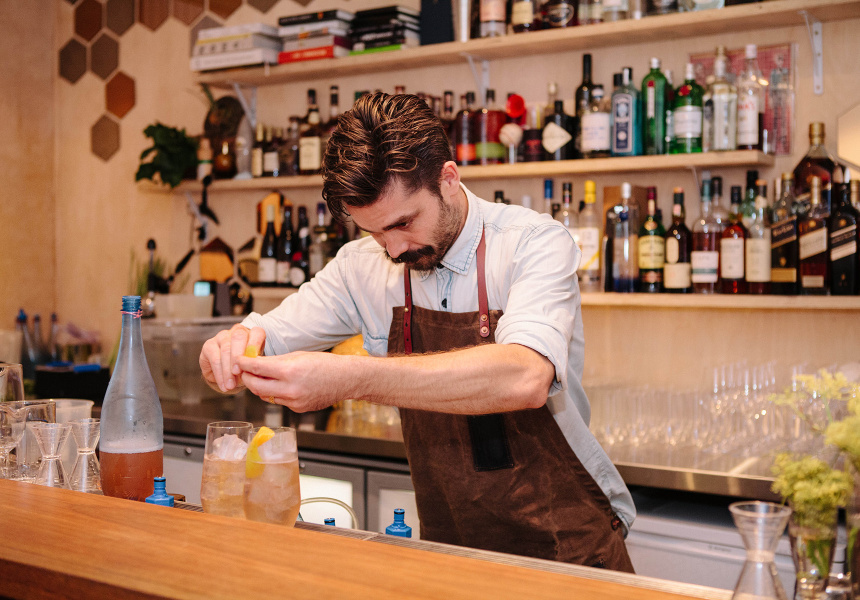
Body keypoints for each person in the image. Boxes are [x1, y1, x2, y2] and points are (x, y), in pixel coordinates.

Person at [199, 92, 636, 570]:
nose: (393, 249)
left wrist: (351, 378)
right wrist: (229, 345)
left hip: (567, 548)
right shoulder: (362, 266)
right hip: (450, 546)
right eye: (375, 232)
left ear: (448, 179)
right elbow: (266, 335)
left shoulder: (534, 243)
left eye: (404, 223)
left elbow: (524, 377)